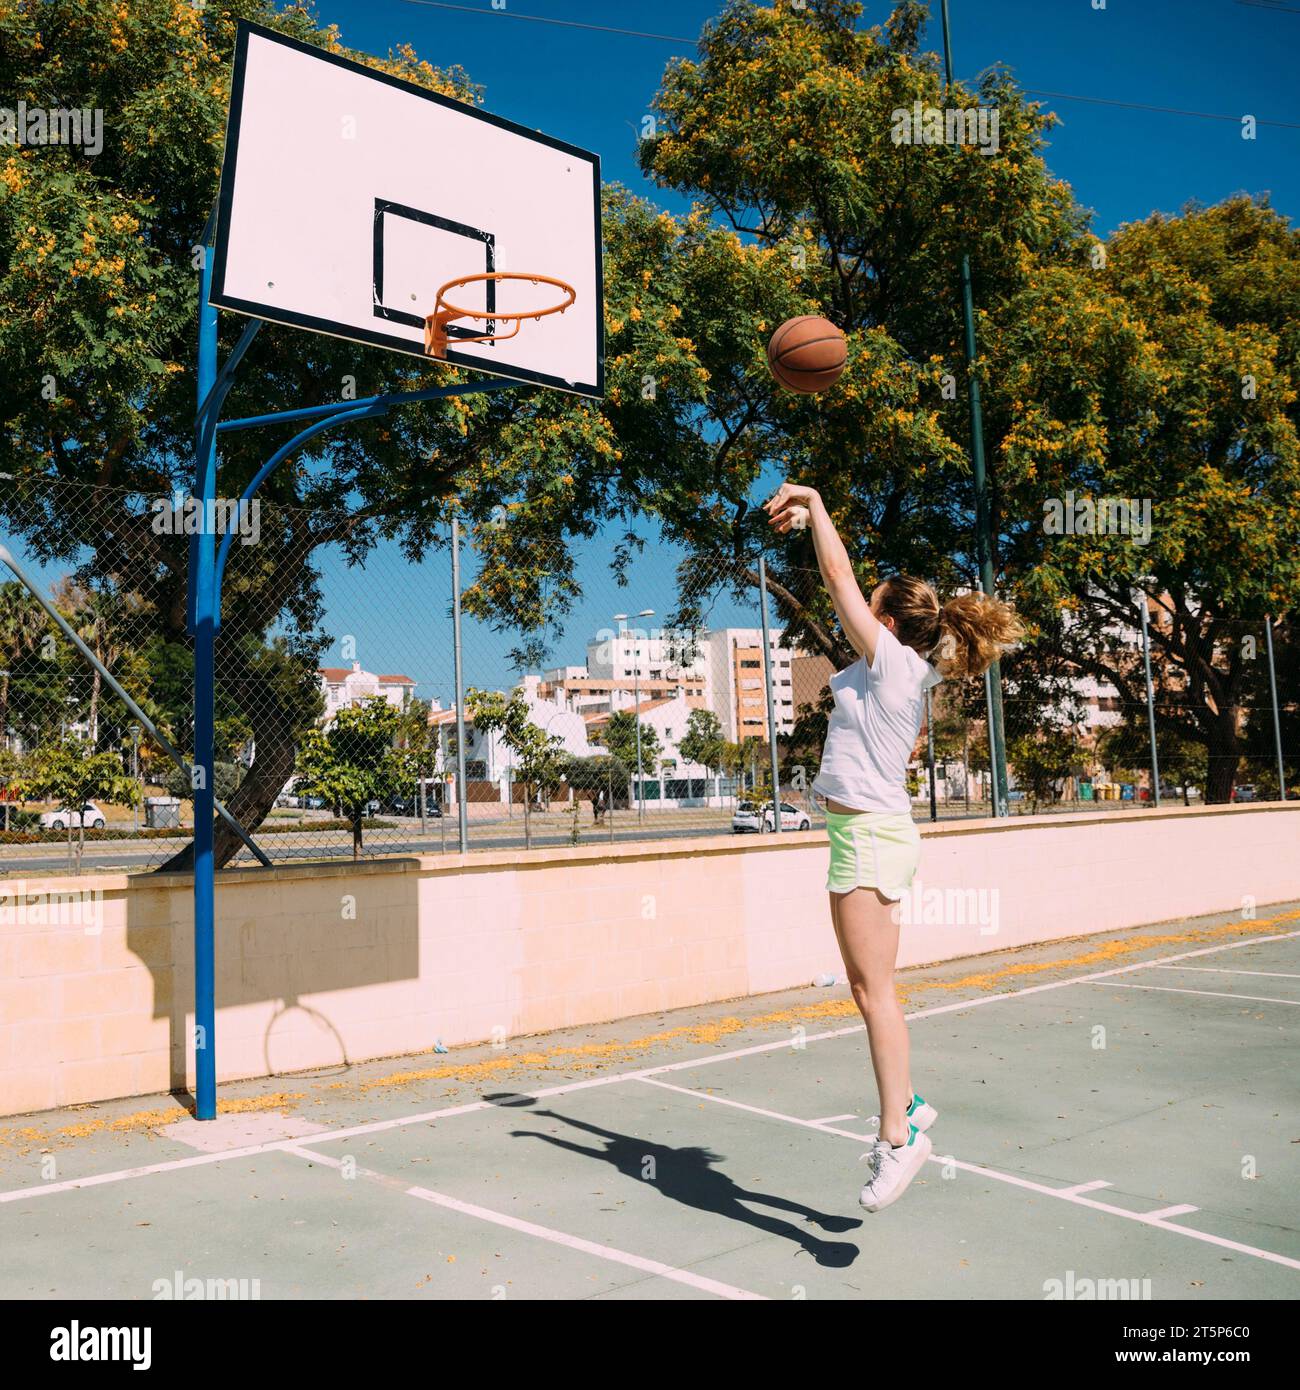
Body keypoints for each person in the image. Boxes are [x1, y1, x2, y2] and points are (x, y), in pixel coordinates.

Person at [766, 482, 1021, 1213]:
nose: (855, 606)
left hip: (871, 839)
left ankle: (899, 1142)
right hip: (864, 836)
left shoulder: (892, 664)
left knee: (877, 996)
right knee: (864, 989)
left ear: (882, 620)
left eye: (866, 604)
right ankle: (907, 1108)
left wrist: (815, 506)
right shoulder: (896, 677)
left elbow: (837, 576)